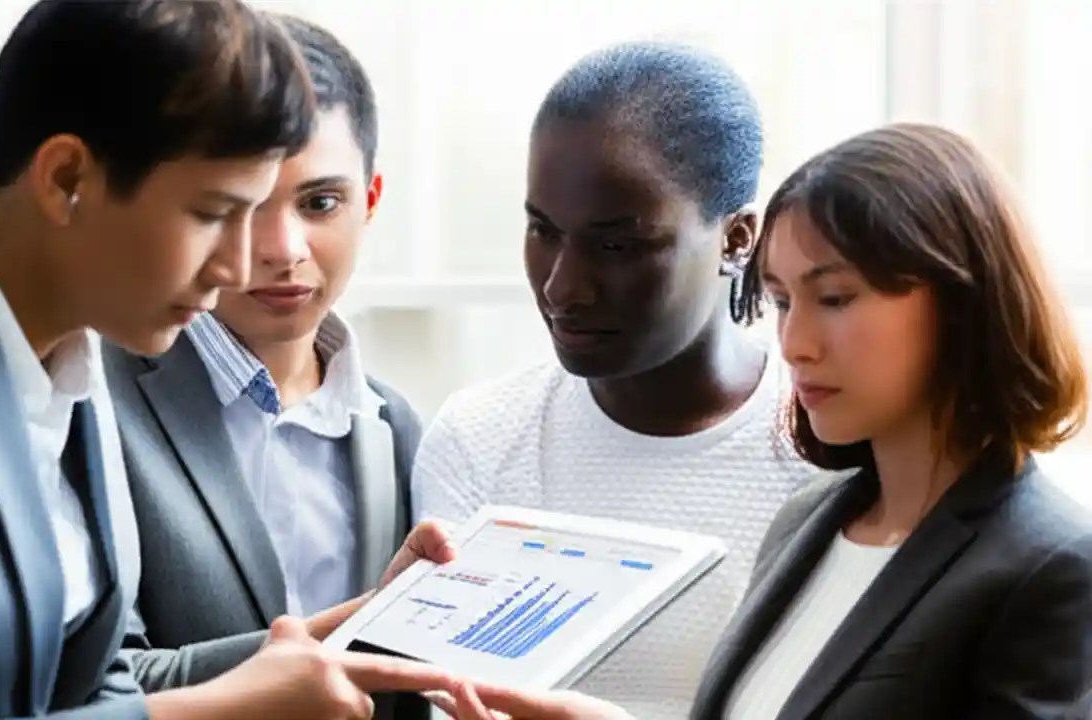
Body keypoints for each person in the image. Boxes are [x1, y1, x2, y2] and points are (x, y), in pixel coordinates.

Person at [0, 2, 457, 718]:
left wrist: (345, 640)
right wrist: (212, 714)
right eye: (214, 214)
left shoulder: (72, 374)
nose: (240, 265)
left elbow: (89, 687)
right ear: (64, 180)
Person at [441, 124, 1092, 719]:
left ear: (962, 301)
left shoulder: (1052, 567)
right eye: (781, 301)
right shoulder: (808, 520)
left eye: (834, 298)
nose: (795, 342)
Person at [411, 41, 819, 718]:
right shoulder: (480, 441)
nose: (561, 287)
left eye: (618, 245)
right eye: (542, 230)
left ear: (737, 239)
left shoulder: (824, 452)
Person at [105, 15, 429, 699]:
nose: (283, 249)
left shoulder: (396, 426)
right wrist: (360, 630)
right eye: (245, 204)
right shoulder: (90, 400)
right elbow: (94, 690)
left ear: (368, 203)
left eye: (320, 201)